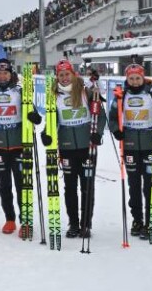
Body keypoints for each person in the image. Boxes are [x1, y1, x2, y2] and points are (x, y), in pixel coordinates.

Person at [41, 60, 106, 238]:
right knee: (70, 187)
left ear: (73, 74)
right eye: (60, 75)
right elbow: (51, 120)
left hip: (87, 145)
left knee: (87, 186)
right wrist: (46, 133)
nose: (63, 78)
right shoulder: (53, 94)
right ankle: (73, 224)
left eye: (66, 74)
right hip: (67, 145)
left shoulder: (86, 90)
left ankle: (86, 224)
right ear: (57, 77)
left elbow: (100, 115)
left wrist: (97, 133)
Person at [109, 63, 152, 238]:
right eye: (132, 78)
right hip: (130, 146)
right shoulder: (121, 96)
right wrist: (116, 130)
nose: (135, 81)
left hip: (149, 146)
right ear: (127, 79)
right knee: (134, 186)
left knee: (149, 186)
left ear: (143, 78)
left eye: (138, 78)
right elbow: (112, 118)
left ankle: (148, 222)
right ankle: (137, 220)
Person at [0, 59, 39, 235]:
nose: (2, 76)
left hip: (19, 143)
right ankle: (10, 219)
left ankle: (25, 221)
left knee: (21, 184)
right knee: (4, 184)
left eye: (5, 73)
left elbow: (34, 112)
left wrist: (35, 117)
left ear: (11, 74)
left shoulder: (20, 91)